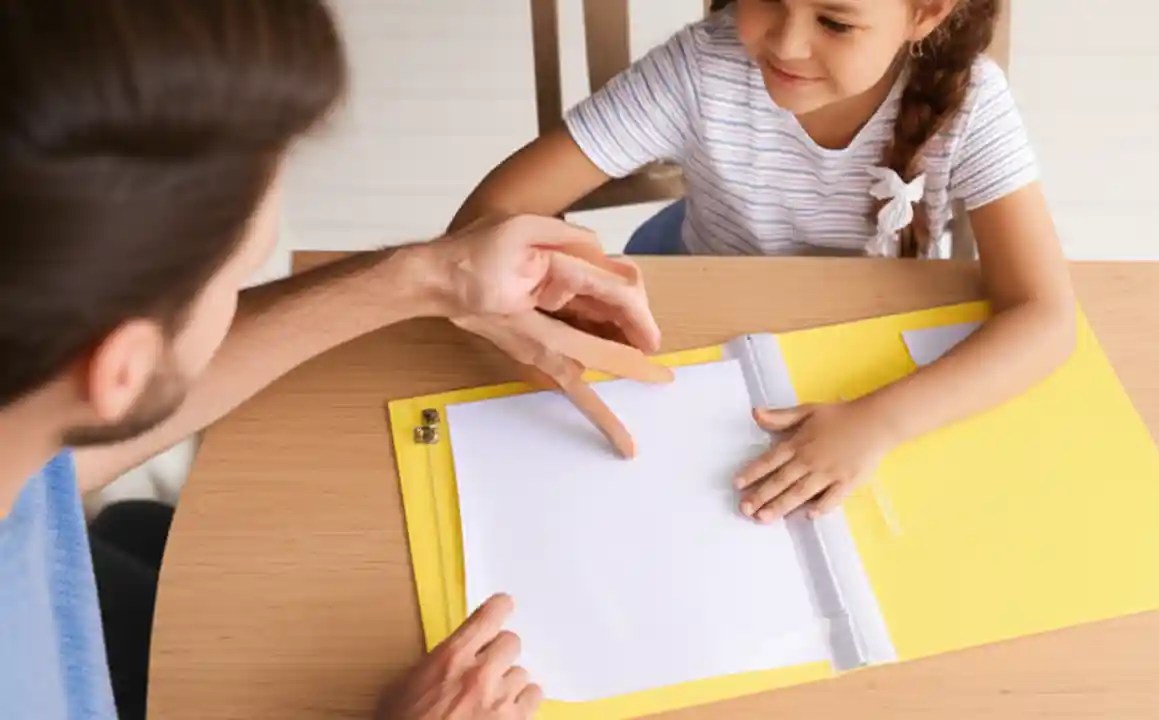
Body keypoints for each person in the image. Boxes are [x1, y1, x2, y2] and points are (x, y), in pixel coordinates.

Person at [0, 1, 666, 719]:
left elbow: (57, 456)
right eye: (234, 280)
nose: (237, 295)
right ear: (120, 369)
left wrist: (428, 277)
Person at [450, 0, 1077, 524]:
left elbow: (1047, 318)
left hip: (876, 349)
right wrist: (545, 292)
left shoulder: (973, 101)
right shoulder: (702, 65)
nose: (787, 42)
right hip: (698, 306)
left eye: (835, 22)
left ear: (925, 14)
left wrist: (880, 423)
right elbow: (492, 212)